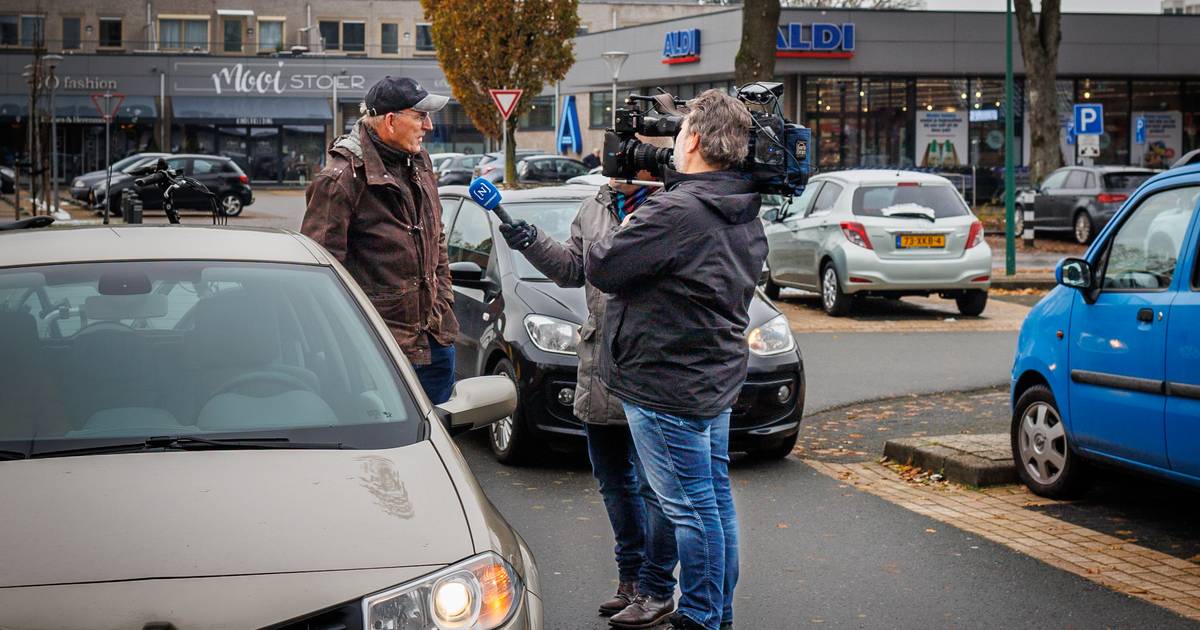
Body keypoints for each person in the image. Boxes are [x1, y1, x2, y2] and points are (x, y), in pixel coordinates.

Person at [584, 89, 766, 630]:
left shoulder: (677, 211)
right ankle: (718, 612)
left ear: (691, 138)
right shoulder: (741, 202)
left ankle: (702, 617)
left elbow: (606, 266)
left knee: (691, 510)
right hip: (711, 377)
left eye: (681, 128)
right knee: (713, 502)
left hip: (666, 383)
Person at [498, 174, 678, 629]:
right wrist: (531, 241)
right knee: (614, 482)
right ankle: (630, 580)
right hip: (598, 368)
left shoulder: (675, 207)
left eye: (629, 151)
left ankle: (657, 587)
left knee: (653, 489)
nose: (618, 163)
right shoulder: (595, 206)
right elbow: (570, 269)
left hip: (646, 366)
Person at [301, 76, 459, 404]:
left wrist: (442, 300)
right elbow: (316, 277)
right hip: (375, 351)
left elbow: (437, 241)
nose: (428, 126)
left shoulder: (420, 164)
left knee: (438, 445)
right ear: (390, 121)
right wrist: (351, 344)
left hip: (435, 340)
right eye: (420, 117)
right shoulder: (341, 180)